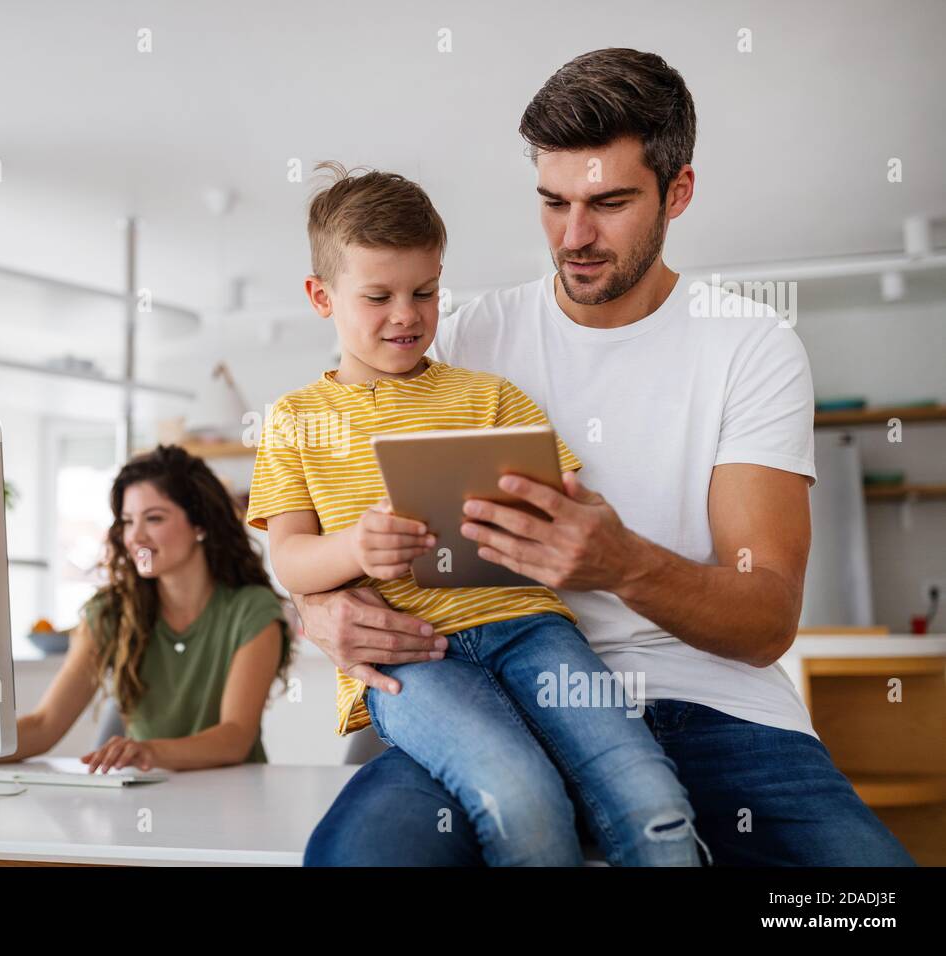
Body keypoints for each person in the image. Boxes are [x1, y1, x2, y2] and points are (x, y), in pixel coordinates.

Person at [300, 48, 915, 866]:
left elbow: (767, 618)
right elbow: (332, 508)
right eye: (553, 203)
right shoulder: (465, 334)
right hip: (493, 696)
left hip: (714, 709)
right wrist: (321, 614)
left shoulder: (750, 346)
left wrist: (623, 564)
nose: (575, 236)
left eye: (610, 202)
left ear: (678, 192)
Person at [247, 161, 705, 866]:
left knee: (657, 805)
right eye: (379, 296)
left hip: (530, 631)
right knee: (520, 799)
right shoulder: (293, 420)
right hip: (410, 655)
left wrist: (570, 514)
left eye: (425, 291)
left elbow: (575, 506)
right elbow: (290, 561)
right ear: (320, 297)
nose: (407, 314)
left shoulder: (490, 397)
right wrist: (355, 550)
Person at [0, 444, 294, 775]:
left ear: (200, 525)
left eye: (154, 518)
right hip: (144, 796)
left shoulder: (250, 611)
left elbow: (234, 738)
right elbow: (44, 726)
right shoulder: (109, 614)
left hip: (236, 796)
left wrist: (149, 750)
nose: (135, 536)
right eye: (127, 520)